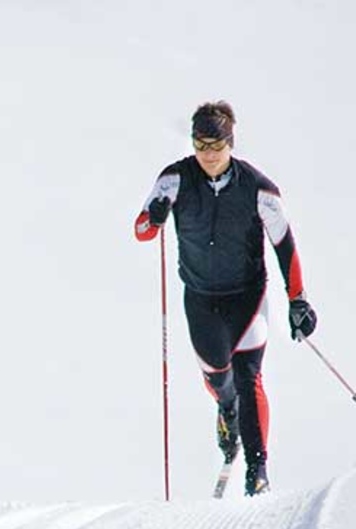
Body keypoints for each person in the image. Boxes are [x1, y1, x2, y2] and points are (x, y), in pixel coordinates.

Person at [134, 100, 318, 496]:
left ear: (230, 144)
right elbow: (142, 230)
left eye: (216, 147)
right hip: (200, 297)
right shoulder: (175, 179)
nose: (209, 156)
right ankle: (226, 408)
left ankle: (258, 470)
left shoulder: (259, 188)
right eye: (201, 146)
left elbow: (284, 244)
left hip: (247, 296)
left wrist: (298, 299)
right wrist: (157, 214)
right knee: (219, 377)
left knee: (249, 375)